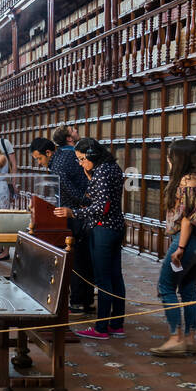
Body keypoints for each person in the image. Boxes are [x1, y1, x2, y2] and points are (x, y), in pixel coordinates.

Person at [151, 139, 196, 357]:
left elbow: (186, 220)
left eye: (171, 155)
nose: (168, 159)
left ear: (179, 158)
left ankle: (176, 338)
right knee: (188, 289)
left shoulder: (187, 182)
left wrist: (179, 248)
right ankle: (189, 339)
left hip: (187, 242)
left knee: (166, 286)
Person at [55, 137, 125, 340]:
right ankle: (116, 324)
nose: (80, 163)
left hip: (103, 229)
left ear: (92, 155)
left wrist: (72, 213)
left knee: (103, 279)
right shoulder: (112, 167)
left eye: (82, 159)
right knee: (115, 277)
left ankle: (101, 328)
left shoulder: (102, 172)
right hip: (115, 227)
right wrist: (87, 174)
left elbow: (100, 208)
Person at [43, 126, 95, 314]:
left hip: (77, 210)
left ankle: (83, 299)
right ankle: (80, 300)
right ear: (69, 139)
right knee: (80, 257)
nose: (77, 130)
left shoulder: (64, 156)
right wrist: (84, 200)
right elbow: (64, 184)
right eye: (73, 130)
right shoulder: (67, 156)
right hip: (73, 212)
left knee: (81, 256)